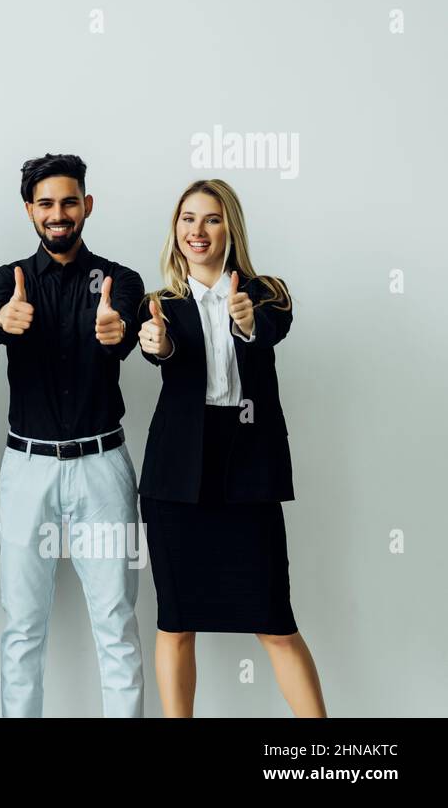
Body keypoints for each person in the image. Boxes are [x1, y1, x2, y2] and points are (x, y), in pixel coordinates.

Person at [136, 178, 325, 717]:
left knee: (275, 623)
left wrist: (245, 322)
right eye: (188, 218)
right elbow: (162, 350)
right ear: (176, 229)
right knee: (175, 621)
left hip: (247, 468)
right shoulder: (159, 304)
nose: (198, 230)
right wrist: (161, 344)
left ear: (230, 228)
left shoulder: (268, 293)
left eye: (212, 218)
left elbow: (267, 330)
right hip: (178, 475)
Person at [0, 153, 146, 718]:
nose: (58, 214)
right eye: (46, 204)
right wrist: (5, 319)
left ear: (87, 206)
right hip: (27, 469)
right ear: (30, 211)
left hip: (104, 466)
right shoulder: (7, 280)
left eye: (69, 202)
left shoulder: (121, 280)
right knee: (23, 627)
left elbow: (123, 330)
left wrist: (115, 328)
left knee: (117, 623)